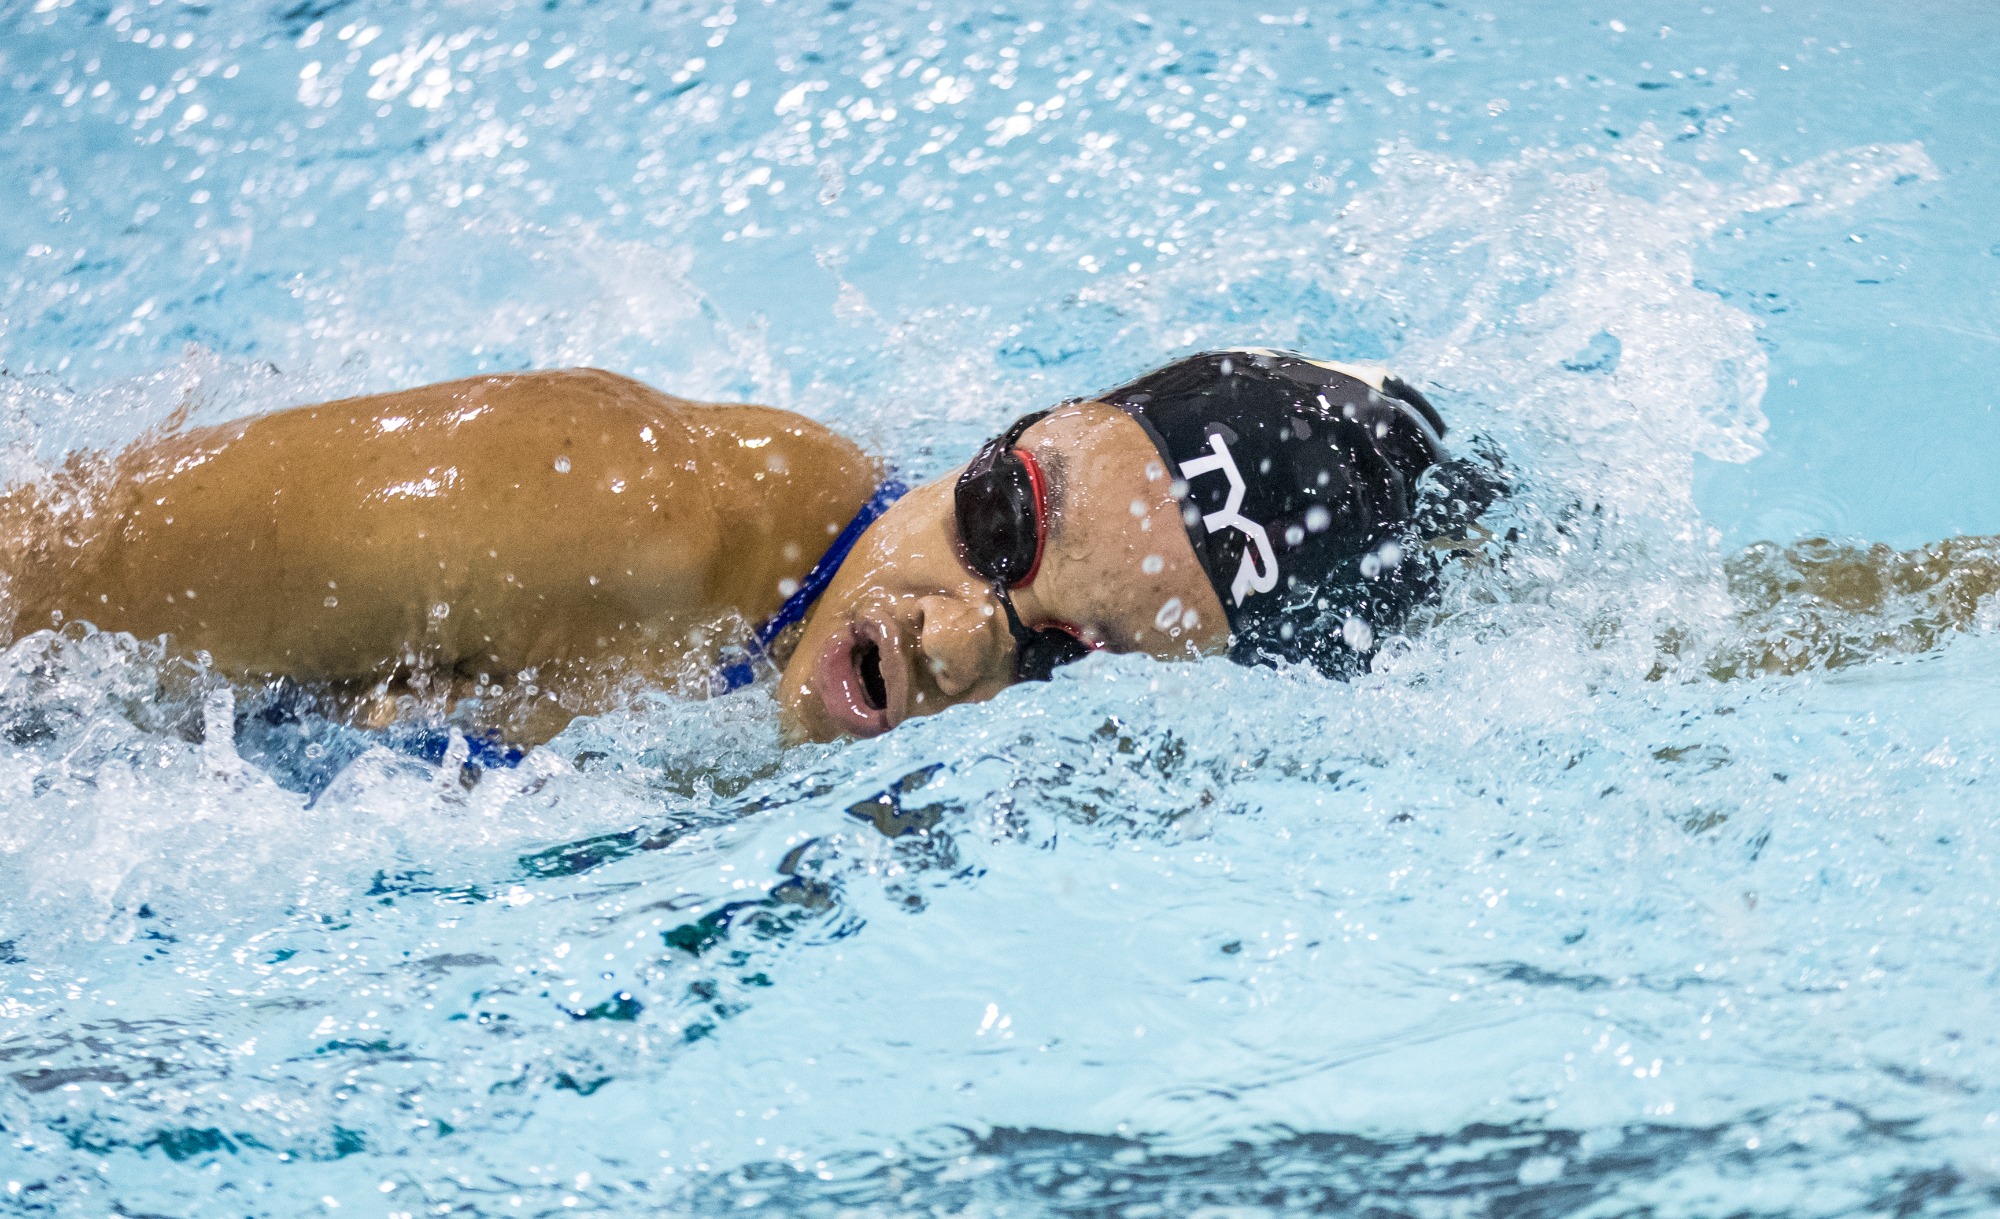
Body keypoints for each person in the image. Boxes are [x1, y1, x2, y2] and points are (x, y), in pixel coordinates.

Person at [0, 350, 1465, 747]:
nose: (958, 636)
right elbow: (43, 567)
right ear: (1001, 435)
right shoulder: (611, 508)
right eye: (1003, 524)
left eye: (1072, 666)